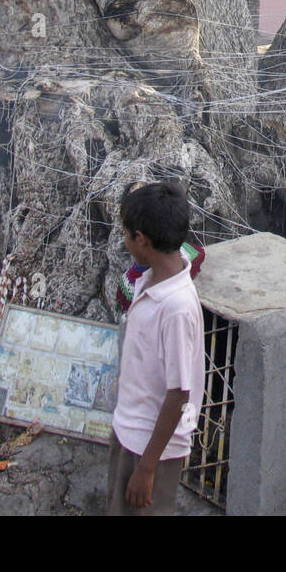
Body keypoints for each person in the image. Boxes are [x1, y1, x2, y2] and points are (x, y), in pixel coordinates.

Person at [109, 182, 205, 515]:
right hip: (131, 431)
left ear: (142, 240)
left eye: (126, 233)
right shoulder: (150, 279)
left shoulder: (176, 307)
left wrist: (147, 468)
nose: (124, 240)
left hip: (152, 449)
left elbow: (179, 394)